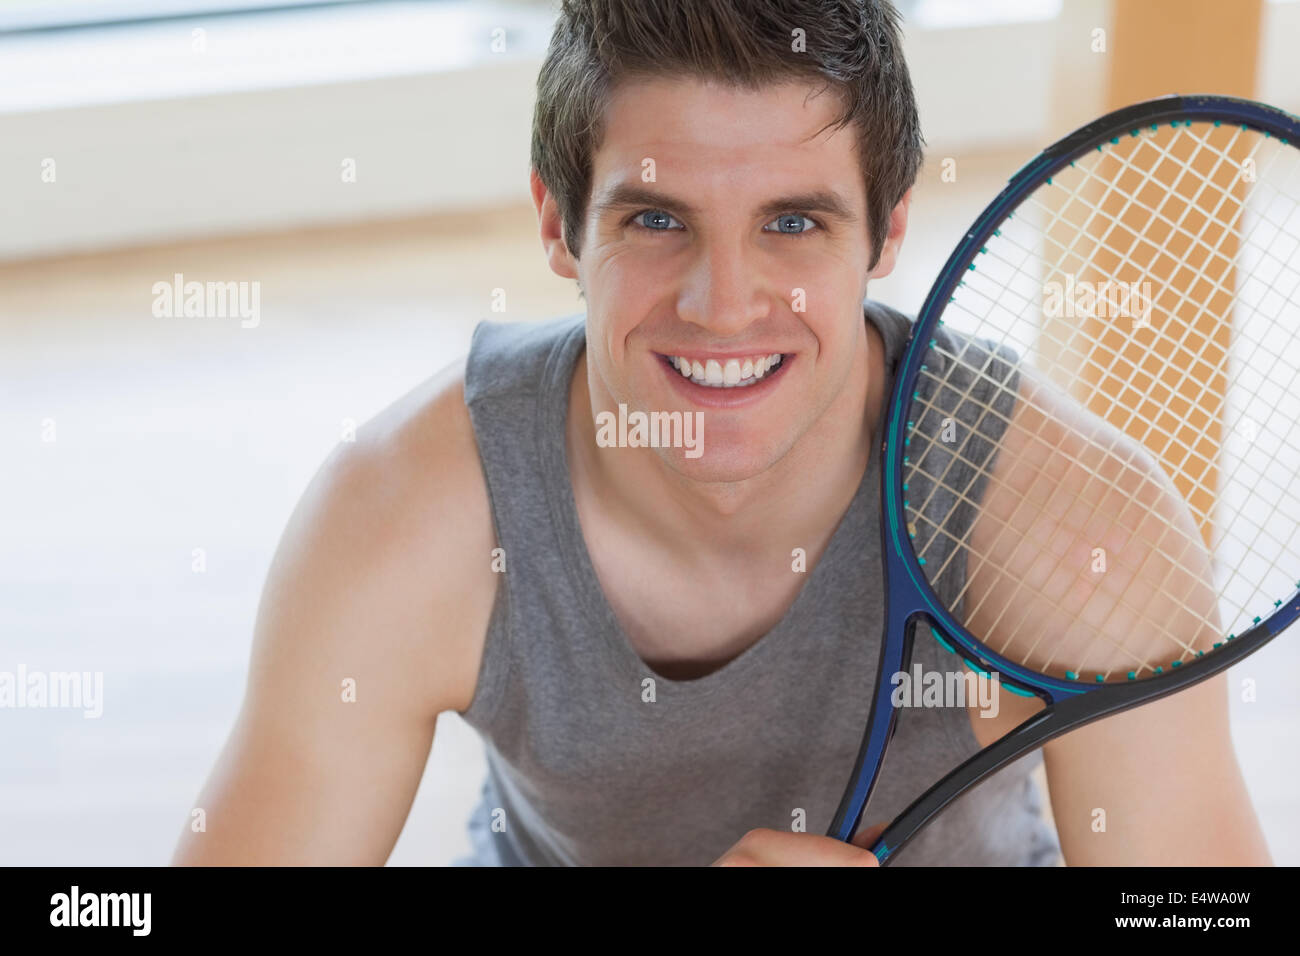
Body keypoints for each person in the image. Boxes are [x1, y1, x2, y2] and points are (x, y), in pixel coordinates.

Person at [172, 0, 1270, 866]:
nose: (723, 302)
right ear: (559, 222)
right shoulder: (403, 511)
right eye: (656, 219)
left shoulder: (1076, 525)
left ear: (886, 230)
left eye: (792, 222)